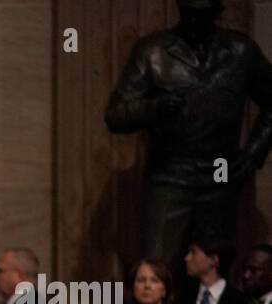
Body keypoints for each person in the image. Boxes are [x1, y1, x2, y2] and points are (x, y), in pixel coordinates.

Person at [104, 0, 272, 269]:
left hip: (220, 170)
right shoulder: (152, 51)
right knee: (159, 266)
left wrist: (253, 154)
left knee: (215, 266)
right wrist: (155, 107)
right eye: (189, 15)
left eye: (203, 15)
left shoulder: (241, 51)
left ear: (217, 14)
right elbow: (115, 115)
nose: (194, 22)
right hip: (171, 173)